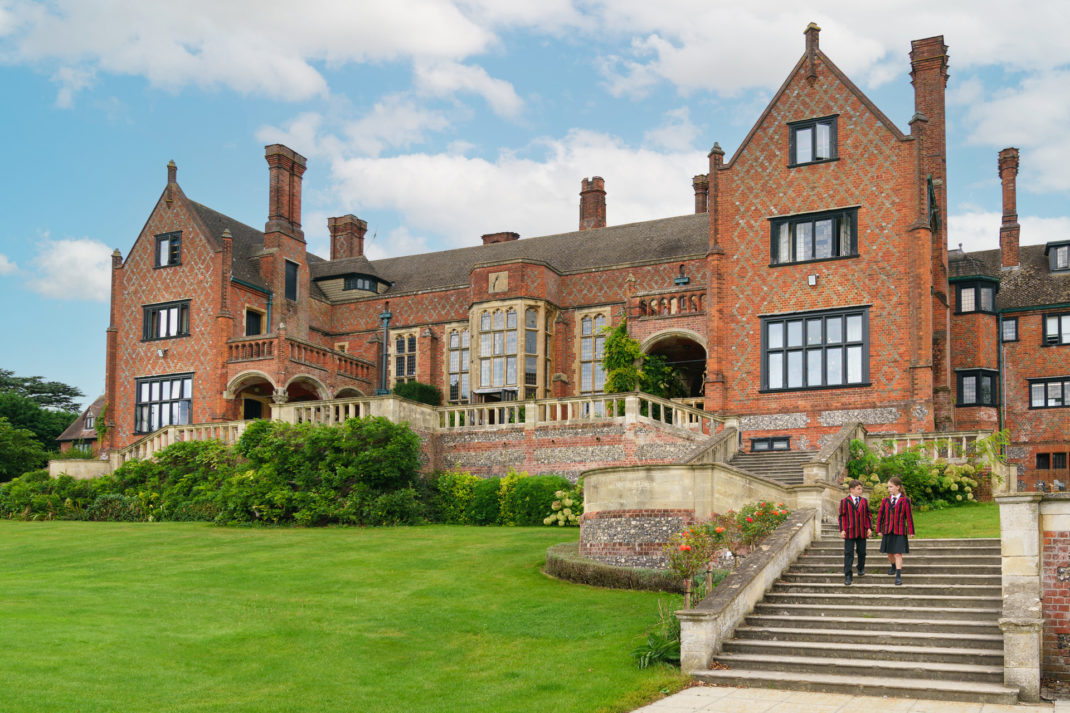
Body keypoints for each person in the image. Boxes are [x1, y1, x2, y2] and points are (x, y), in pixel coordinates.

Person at [876, 476, 914, 586]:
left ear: (898, 487)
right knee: (890, 553)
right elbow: (880, 516)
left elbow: (909, 517)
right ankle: (893, 566)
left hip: (900, 530)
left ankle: (898, 575)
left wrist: (911, 531)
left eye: (891, 487)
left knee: (898, 553)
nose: (889, 489)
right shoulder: (885, 501)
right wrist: (879, 529)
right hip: (888, 529)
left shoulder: (906, 500)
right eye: (888, 487)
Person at [839, 479, 872, 586]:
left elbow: (868, 515)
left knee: (862, 552)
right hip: (849, 531)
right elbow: (842, 517)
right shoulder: (844, 501)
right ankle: (848, 575)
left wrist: (869, 528)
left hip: (862, 531)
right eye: (858, 489)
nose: (860, 491)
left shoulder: (864, 501)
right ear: (851, 489)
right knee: (849, 554)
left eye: (861, 489)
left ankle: (860, 568)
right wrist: (842, 529)